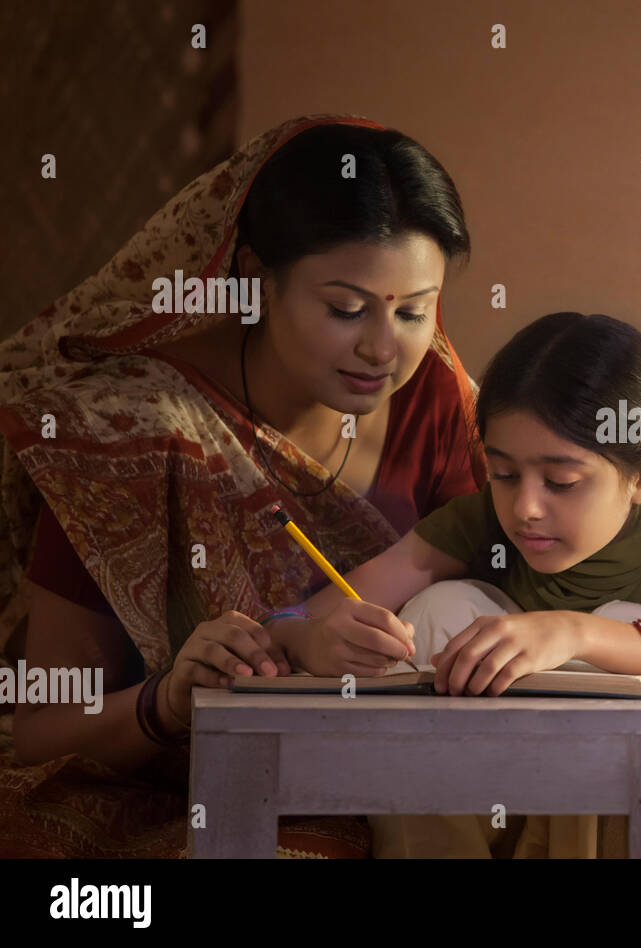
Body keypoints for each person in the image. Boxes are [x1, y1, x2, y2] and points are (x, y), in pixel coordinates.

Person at [0, 113, 485, 857]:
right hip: (162, 785)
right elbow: (41, 732)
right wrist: (169, 701)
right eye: (346, 309)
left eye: (415, 312)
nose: (385, 349)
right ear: (256, 280)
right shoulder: (123, 430)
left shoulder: (439, 404)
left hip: (389, 781)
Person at [268, 311, 641, 858]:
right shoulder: (479, 521)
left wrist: (575, 635)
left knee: (620, 625)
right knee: (440, 610)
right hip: (531, 808)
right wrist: (308, 638)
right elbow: (295, 620)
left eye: (561, 482)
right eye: (503, 474)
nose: (525, 508)